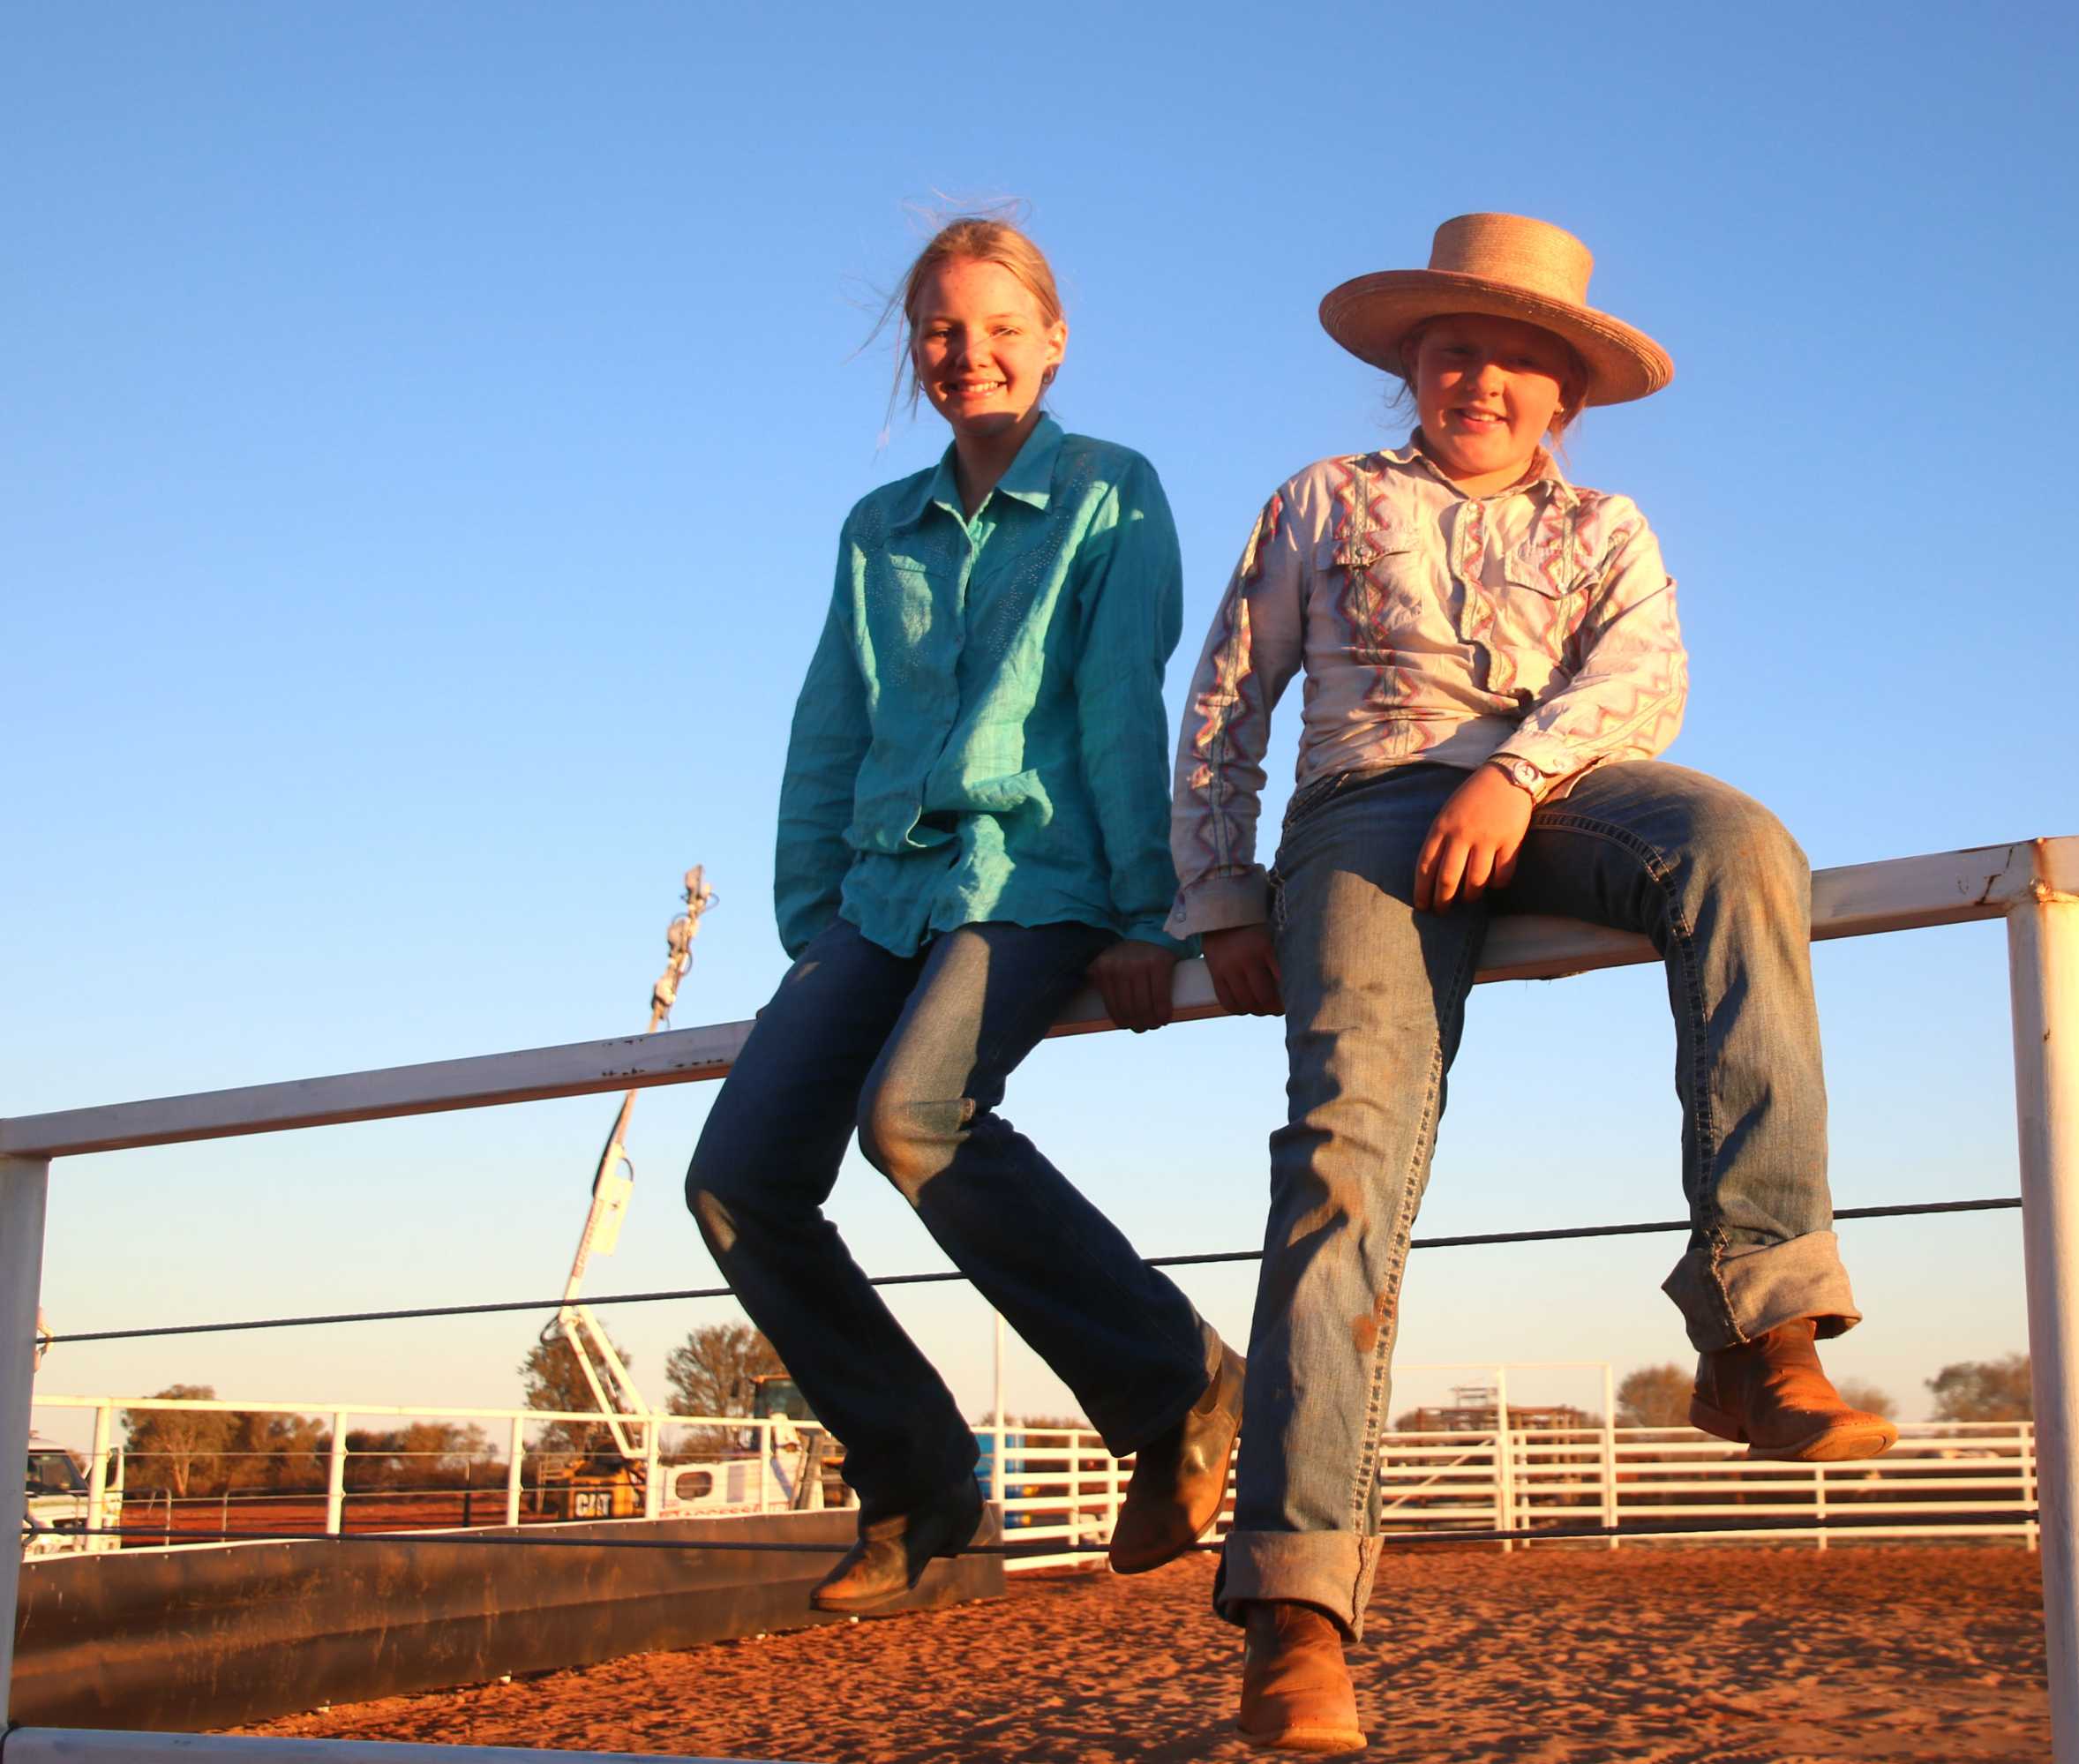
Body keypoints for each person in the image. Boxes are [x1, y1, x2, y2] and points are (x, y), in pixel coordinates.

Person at [1168, 214, 1897, 1751]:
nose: (1477, 373)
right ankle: (1298, 1612)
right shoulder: (1327, 501)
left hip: (1568, 791)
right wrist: (1221, 890)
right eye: (1450, 344)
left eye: (1514, 354)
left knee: (1743, 847)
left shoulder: (1608, 528)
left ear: (1564, 391)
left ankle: (1759, 1326)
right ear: (1408, 365)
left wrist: (1514, 775)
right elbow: (1230, 694)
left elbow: (1641, 678)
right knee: (1344, 1153)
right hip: (1368, 810)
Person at [684, 214, 1242, 1614]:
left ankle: (1174, 1383)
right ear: (913, 349)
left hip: (1041, 875)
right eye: (941, 328)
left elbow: (1120, 709)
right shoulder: (877, 531)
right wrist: (815, 917)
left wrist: (1143, 913)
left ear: (1055, 341)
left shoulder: (1114, 494)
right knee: (737, 1179)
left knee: (913, 1120)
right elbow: (830, 727)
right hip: (877, 901)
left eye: (1001, 326)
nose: (969, 353)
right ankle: (919, 1474)